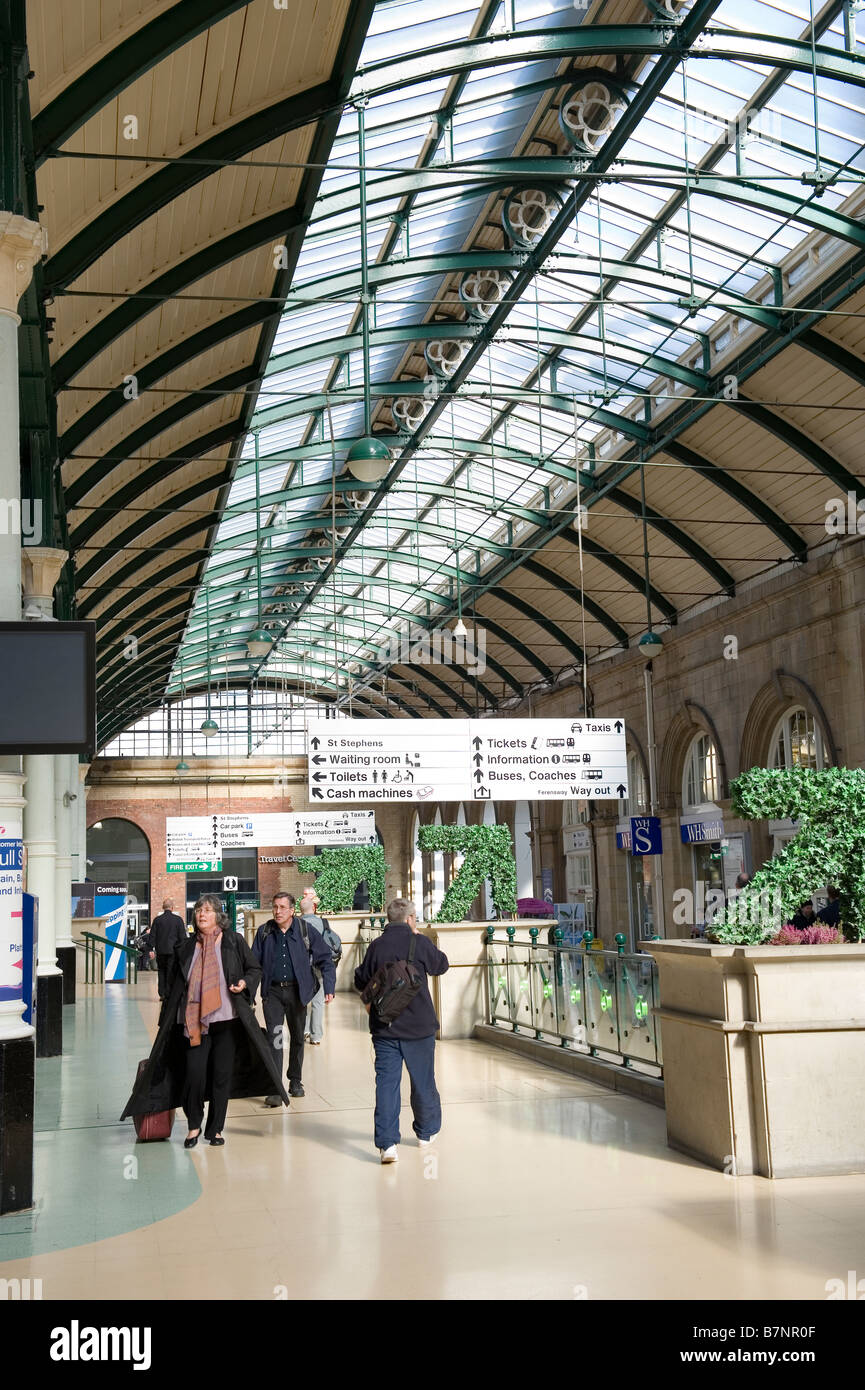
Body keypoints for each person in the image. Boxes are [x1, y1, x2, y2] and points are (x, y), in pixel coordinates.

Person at [121, 894, 288, 1145]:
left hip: (227, 1020)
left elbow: (254, 969)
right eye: (199, 910)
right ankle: (193, 1125)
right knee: (194, 1075)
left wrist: (244, 984)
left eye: (208, 910)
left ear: (218, 915)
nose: (202, 914)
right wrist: (166, 1015)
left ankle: (216, 1129)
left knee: (221, 1076)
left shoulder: (234, 941)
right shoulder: (186, 947)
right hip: (192, 1022)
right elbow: (174, 986)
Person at [353, 898, 449, 1165]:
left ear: (388, 918)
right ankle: (425, 1132)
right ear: (410, 918)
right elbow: (441, 965)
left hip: (385, 1027)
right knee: (423, 1080)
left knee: (386, 1084)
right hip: (419, 1027)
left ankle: (387, 1145)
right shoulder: (419, 942)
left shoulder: (376, 945)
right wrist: (419, 938)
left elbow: (360, 979)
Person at [252, 892, 336, 1105]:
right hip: (273, 995)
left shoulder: (305, 930)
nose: (277, 911)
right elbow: (253, 966)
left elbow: (326, 958)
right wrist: (248, 994)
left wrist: (329, 987)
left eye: (282, 907)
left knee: (298, 1038)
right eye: (275, 907)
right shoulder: (264, 932)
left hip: (298, 993)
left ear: (292, 911)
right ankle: (275, 1087)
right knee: (276, 1039)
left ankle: (295, 1080)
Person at [299, 888, 340, 1046]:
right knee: (317, 1001)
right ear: (314, 908)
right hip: (319, 966)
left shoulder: (297, 924)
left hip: (302, 968)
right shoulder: (323, 922)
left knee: (302, 1000)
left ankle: (303, 1030)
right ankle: (316, 1036)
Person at [147, 897, 187, 999]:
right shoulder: (178, 920)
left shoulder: (157, 920)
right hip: (173, 951)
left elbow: (152, 936)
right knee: (171, 972)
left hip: (160, 951)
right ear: (172, 908)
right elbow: (182, 937)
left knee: (161, 971)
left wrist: (151, 948)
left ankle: (162, 993)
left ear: (162, 907)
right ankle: (169, 993)